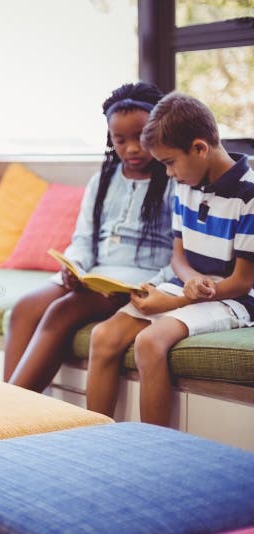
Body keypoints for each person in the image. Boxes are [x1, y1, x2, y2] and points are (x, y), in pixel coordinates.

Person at [86, 92, 254, 425]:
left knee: (150, 341)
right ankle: (90, 438)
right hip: (188, 286)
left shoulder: (248, 194)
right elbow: (179, 258)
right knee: (102, 336)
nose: (168, 172)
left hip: (233, 298)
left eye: (169, 162)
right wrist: (184, 285)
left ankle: (156, 450)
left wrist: (176, 302)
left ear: (199, 148)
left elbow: (242, 281)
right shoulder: (185, 183)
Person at [4, 82, 175, 392]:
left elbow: (180, 251)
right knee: (24, 308)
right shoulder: (103, 180)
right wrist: (75, 266)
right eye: (120, 140)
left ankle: (9, 411)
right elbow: (83, 237)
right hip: (95, 274)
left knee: (62, 310)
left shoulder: (174, 179)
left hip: (141, 279)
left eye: (140, 137)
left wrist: (153, 285)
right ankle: (8, 400)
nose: (132, 148)